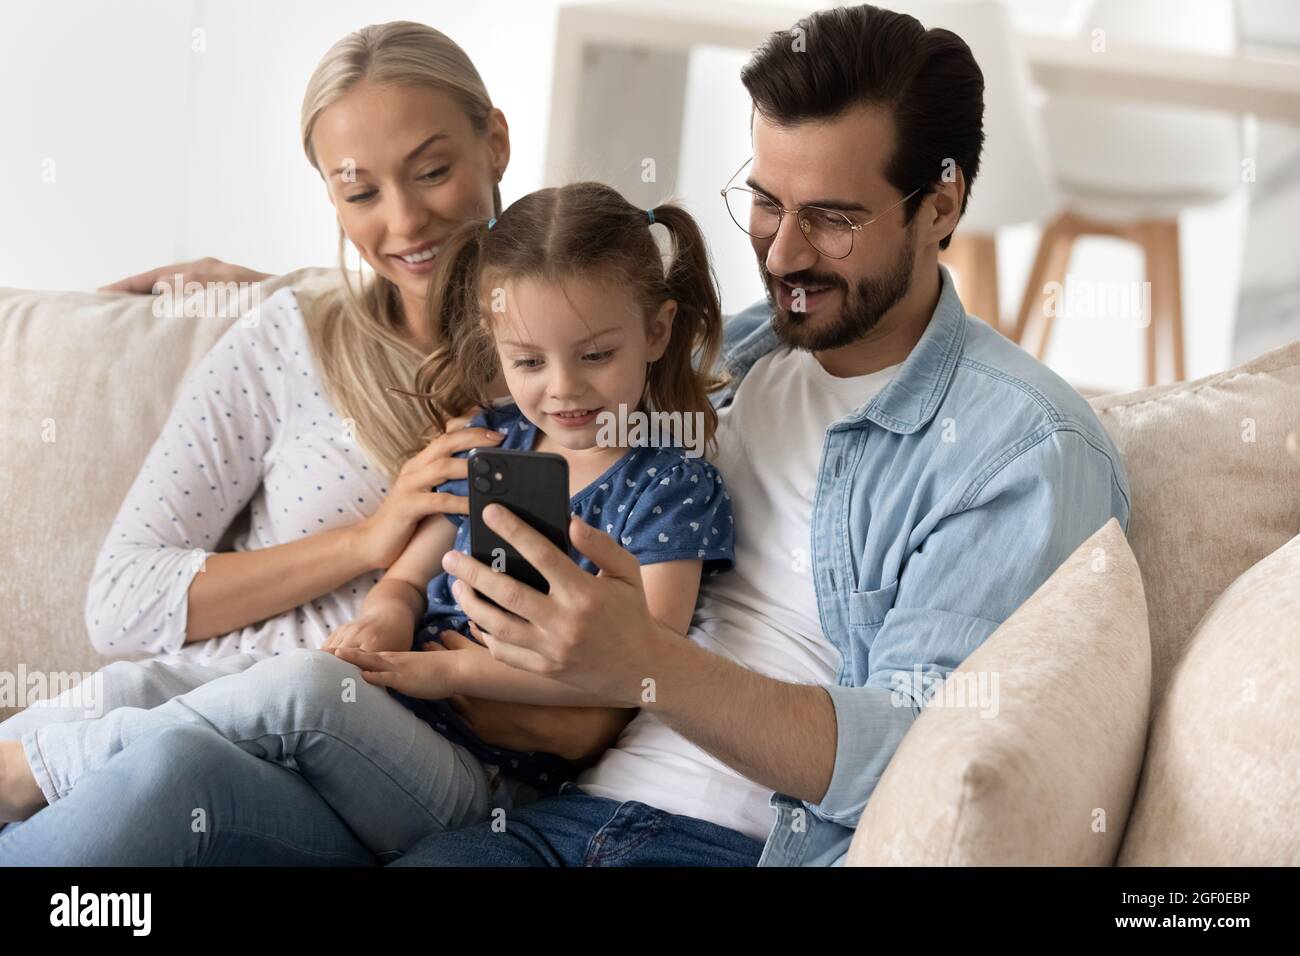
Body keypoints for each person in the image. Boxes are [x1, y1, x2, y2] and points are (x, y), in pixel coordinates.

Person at [2, 4, 1130, 867]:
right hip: (538, 813)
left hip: (704, 839)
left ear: (940, 205)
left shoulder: (1016, 448)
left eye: (832, 219)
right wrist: (290, 296)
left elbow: (920, 752)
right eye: (765, 203)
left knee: (216, 753)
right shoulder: (721, 359)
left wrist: (639, 664)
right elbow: (542, 316)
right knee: (172, 778)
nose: (784, 253)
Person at [0, 22, 632, 849]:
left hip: (390, 754)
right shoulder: (289, 338)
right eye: (359, 191)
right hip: (209, 701)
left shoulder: (577, 374)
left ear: (497, 142)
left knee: (173, 774)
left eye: (433, 171)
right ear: (329, 197)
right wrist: (366, 542)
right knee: (156, 747)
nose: (406, 221)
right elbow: (122, 603)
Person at [0, 184, 738, 862]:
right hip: (390, 713)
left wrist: (445, 670)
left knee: (305, 688)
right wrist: (387, 617)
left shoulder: (671, 487)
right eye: (528, 361)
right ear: (495, 345)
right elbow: (410, 576)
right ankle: (16, 762)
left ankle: (48, 769)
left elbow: (647, 667)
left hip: (483, 779)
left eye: (596, 355)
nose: (564, 388)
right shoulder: (497, 441)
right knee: (153, 681)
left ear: (659, 329)